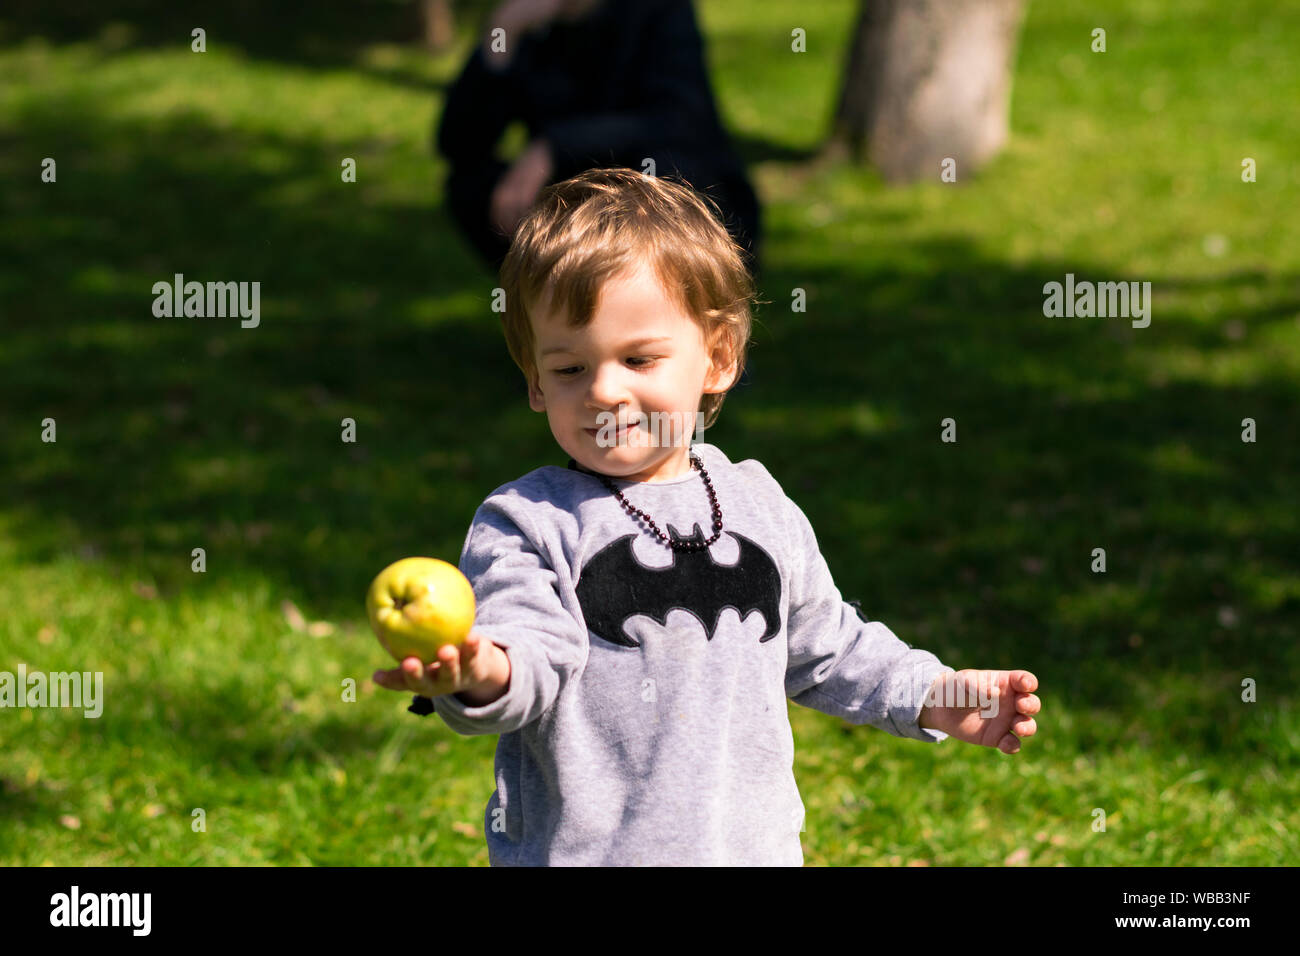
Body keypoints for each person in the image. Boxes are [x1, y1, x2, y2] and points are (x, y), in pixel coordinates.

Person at [373, 168, 1040, 866]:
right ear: (535, 382)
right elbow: (530, 651)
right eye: (569, 369)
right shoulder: (529, 520)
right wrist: (483, 668)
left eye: (638, 358)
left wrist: (933, 693)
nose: (604, 389)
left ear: (718, 357)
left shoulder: (757, 504)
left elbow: (829, 648)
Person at [436, 0, 762, 278]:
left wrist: (553, 147)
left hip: (661, 183)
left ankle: (685, 307)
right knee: (472, 182)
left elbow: (678, 119)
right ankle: (555, 311)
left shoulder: (657, 9)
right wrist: (503, 33)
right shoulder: (531, 21)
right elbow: (460, 143)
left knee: (664, 170)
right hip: (570, 188)